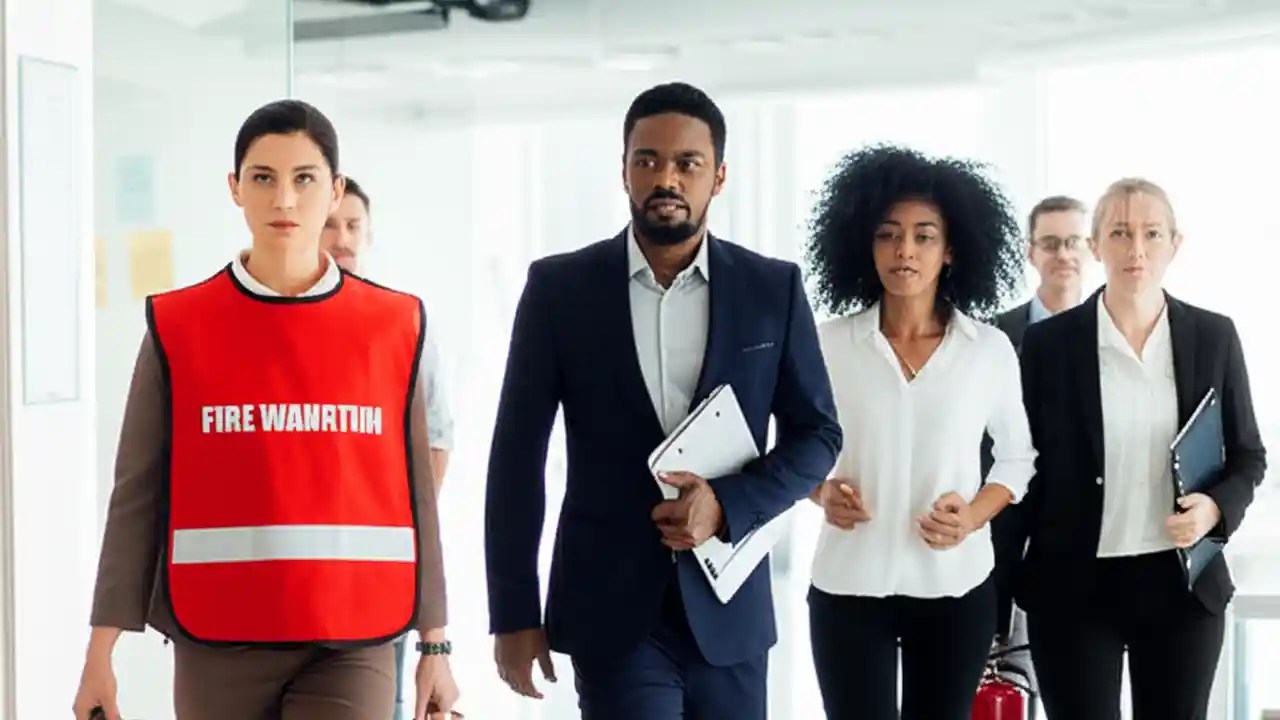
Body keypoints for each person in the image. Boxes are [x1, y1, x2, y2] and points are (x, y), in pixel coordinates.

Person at [71, 99, 459, 720]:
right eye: (263, 178)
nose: (283, 200)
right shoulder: (178, 325)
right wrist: (100, 649)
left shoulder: (394, 324)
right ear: (235, 189)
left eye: (304, 179)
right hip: (218, 636)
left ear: (334, 192)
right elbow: (137, 492)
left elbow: (417, 499)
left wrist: (435, 644)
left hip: (352, 635)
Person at [484, 81, 842, 720]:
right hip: (612, 611)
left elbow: (818, 435)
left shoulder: (772, 288)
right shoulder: (559, 290)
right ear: (623, 170)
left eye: (687, 164)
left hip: (730, 611)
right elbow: (516, 460)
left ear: (719, 176)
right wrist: (513, 613)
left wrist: (727, 505)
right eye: (647, 160)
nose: (665, 178)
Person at [1016, 178, 1266, 719]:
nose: (1136, 249)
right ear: (1095, 245)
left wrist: (1215, 507)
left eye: (1152, 234)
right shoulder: (1047, 347)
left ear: (1175, 244)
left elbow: (1249, 455)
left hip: (1180, 586)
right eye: (1120, 233)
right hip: (1074, 588)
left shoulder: (1213, 335)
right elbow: (1019, 469)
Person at [803, 144, 1036, 720]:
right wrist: (818, 490)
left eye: (924, 235)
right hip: (848, 585)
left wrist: (975, 513)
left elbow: (1016, 458)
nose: (904, 250)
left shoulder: (989, 350)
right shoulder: (827, 344)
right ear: (867, 244)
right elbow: (782, 442)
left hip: (955, 588)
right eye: (888, 234)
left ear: (951, 249)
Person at [320, 176, 456, 720]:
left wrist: (399, 523)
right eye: (331, 224)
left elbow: (438, 438)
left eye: (354, 226)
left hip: (377, 567)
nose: (343, 238)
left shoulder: (400, 324)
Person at [981, 195, 1090, 698]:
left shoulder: (1112, 335)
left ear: (1088, 248)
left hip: (1083, 549)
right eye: (1050, 243)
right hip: (1002, 538)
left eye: (1072, 242)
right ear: (1031, 252)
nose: (1062, 253)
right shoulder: (992, 337)